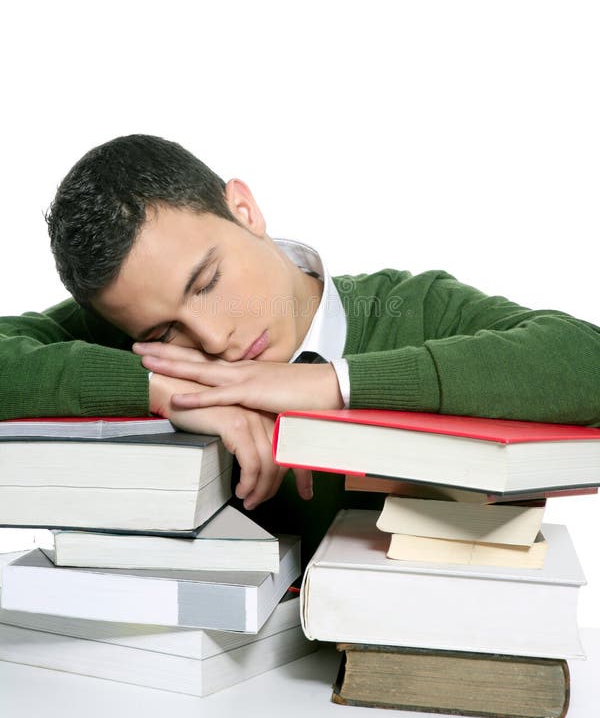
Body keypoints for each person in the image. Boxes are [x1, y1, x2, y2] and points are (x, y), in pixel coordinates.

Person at [1, 134, 599, 558]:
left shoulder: (412, 309)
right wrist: (158, 387)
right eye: (162, 334)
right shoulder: (136, 344)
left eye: (208, 282)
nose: (212, 341)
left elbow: (585, 359)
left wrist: (331, 386)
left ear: (245, 209)